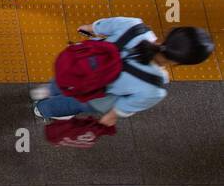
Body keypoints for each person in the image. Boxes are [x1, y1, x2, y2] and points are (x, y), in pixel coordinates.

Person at [32, 17, 214, 123]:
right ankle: (43, 109)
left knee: (64, 79)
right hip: (94, 94)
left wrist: (88, 29)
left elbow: (98, 27)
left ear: (172, 33)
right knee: (74, 103)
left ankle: (46, 91)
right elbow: (120, 109)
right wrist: (111, 117)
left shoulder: (135, 26)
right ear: (180, 62)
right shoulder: (155, 88)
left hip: (78, 66)